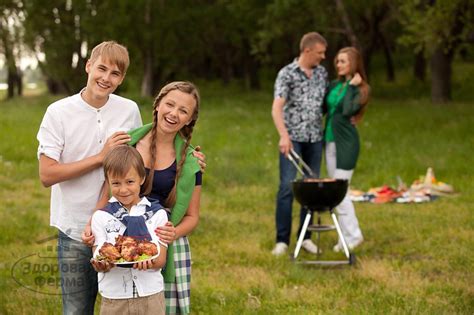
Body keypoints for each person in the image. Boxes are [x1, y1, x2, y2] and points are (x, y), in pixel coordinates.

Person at [37, 41, 142, 314]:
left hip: (119, 227)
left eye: (115, 73)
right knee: (76, 309)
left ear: (121, 79)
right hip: (75, 228)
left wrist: (190, 156)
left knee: (121, 308)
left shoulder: (129, 110)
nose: (106, 78)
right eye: (102, 69)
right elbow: (47, 175)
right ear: (88, 66)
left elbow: (142, 157)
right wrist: (101, 156)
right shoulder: (58, 112)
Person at [129, 81, 202, 314]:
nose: (174, 113)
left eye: (183, 111)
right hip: (126, 234)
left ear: (189, 120)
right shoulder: (127, 145)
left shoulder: (190, 162)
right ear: (158, 104)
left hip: (167, 239)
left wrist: (174, 233)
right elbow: (107, 189)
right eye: (170, 104)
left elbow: (192, 216)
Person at [90, 146, 168, 315]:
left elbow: (161, 259)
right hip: (114, 297)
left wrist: (149, 261)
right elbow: (98, 254)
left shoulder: (157, 214)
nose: (123, 189)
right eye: (116, 183)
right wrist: (101, 264)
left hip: (150, 295)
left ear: (141, 178)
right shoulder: (101, 217)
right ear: (108, 181)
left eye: (130, 182)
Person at [271, 32, 328, 256]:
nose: (323, 57)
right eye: (320, 52)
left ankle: (305, 237)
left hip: (315, 138)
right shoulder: (287, 74)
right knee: (287, 187)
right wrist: (284, 136)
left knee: (311, 188)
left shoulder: (322, 73)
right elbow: (277, 108)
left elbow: (327, 104)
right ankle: (282, 241)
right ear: (307, 50)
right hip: (292, 139)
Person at [323, 46, 370, 252]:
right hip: (330, 142)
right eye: (338, 61)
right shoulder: (334, 85)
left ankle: (354, 235)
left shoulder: (361, 88)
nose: (338, 65)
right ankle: (345, 237)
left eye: (343, 61)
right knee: (336, 193)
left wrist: (352, 87)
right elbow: (324, 108)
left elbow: (349, 110)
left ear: (353, 62)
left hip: (347, 144)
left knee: (340, 191)